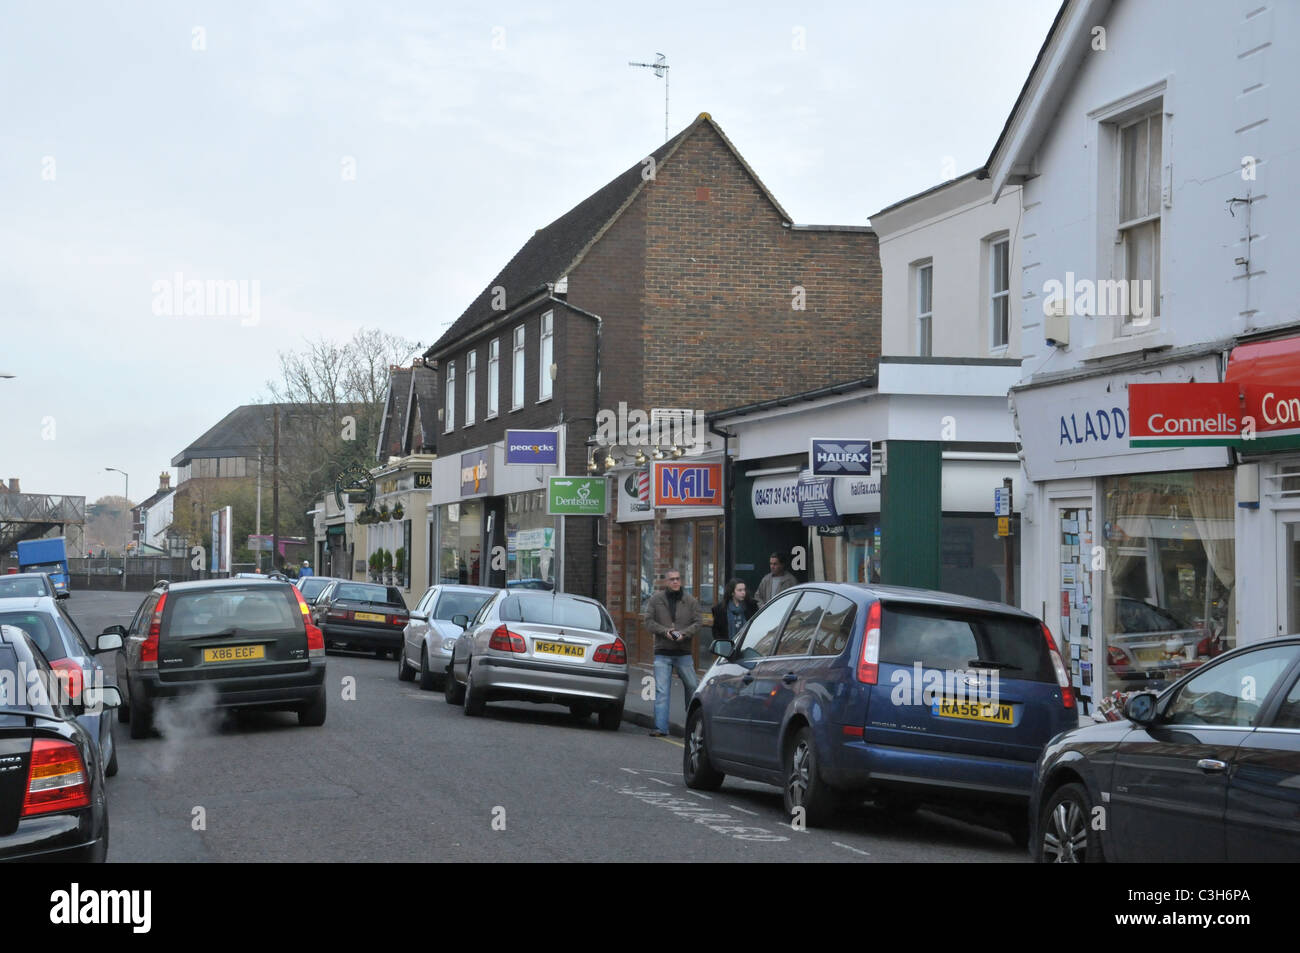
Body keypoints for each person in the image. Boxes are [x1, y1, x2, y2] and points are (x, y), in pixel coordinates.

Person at [642, 569, 701, 737]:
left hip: (683, 652)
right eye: (672, 579)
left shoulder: (690, 601)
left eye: (678, 579)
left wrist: (684, 633)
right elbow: (648, 622)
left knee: (692, 686)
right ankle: (661, 728)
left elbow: (698, 623)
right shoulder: (656, 600)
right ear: (666, 582)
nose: (675, 582)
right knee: (662, 690)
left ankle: (693, 724)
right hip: (662, 651)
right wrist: (665, 631)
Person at [711, 578, 757, 646]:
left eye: (744, 589)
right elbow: (717, 631)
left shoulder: (751, 606)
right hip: (728, 648)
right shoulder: (720, 610)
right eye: (740, 590)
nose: (743, 592)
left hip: (748, 645)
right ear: (732, 592)